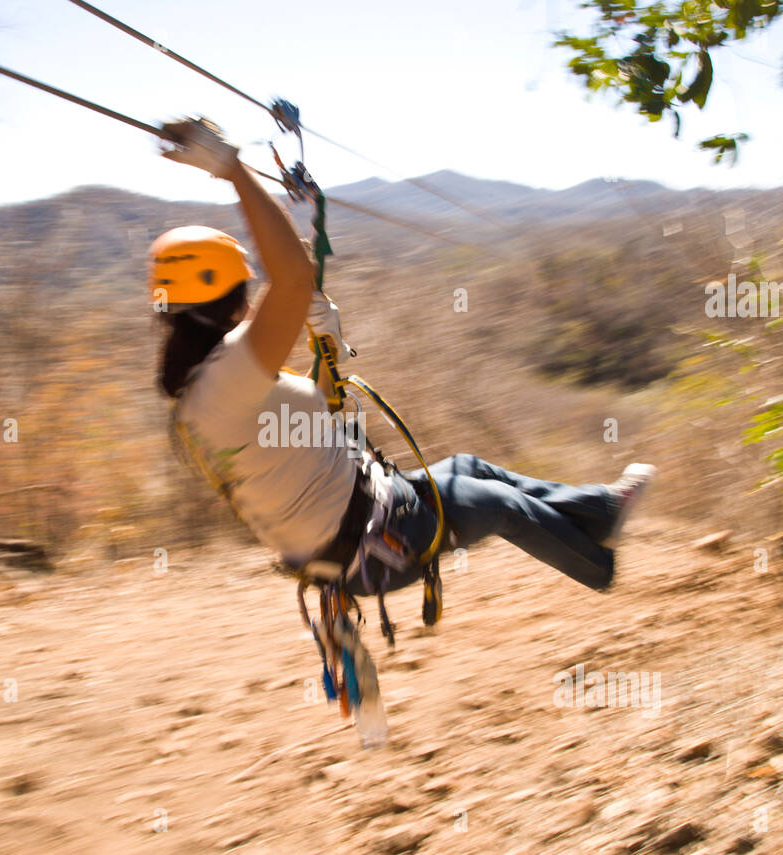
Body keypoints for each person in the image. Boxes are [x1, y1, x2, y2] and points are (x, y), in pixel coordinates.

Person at [153, 117, 654, 602]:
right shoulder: (230, 373)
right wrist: (233, 169)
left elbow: (316, 409)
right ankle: (598, 565)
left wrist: (324, 345)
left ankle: (602, 510)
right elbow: (291, 279)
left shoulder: (206, 385)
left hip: (352, 529)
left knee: (470, 468)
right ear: (230, 299)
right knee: (498, 505)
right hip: (370, 541)